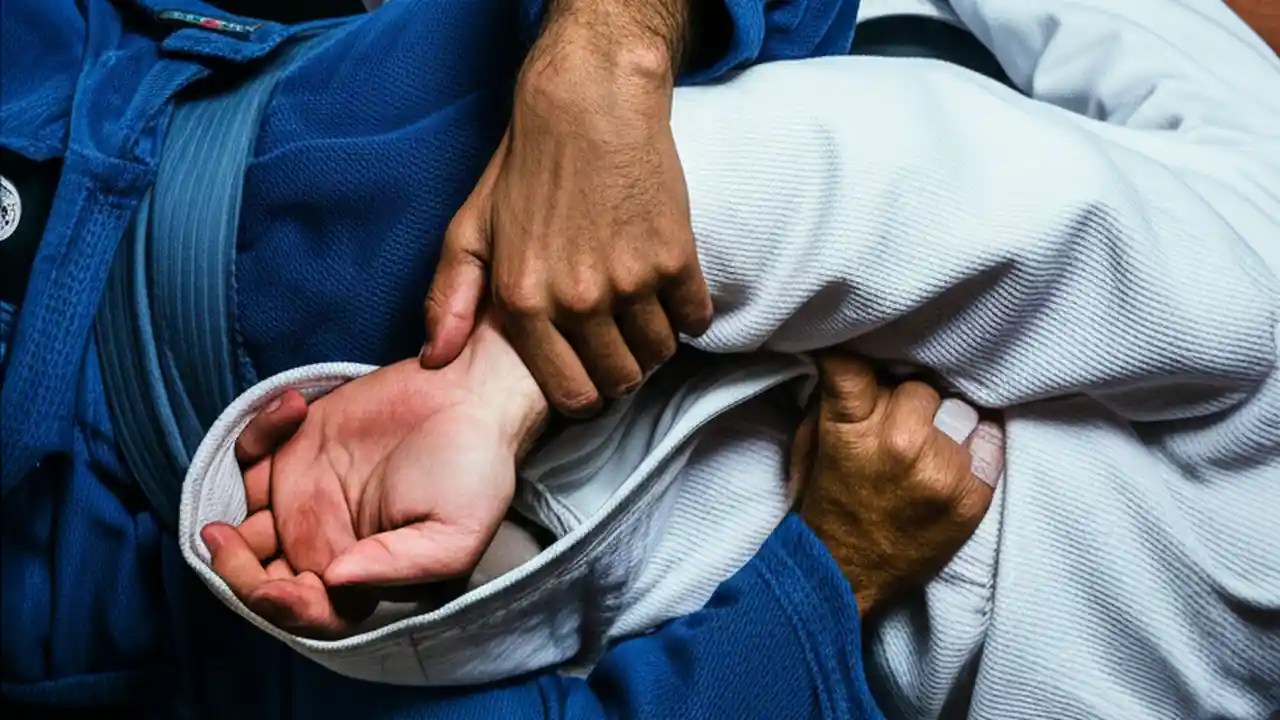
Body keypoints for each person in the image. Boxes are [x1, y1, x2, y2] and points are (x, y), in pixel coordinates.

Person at [184, 0, 1280, 717]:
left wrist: (822, 584)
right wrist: (503, 372)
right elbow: (934, 190)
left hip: (446, 598)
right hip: (368, 225)